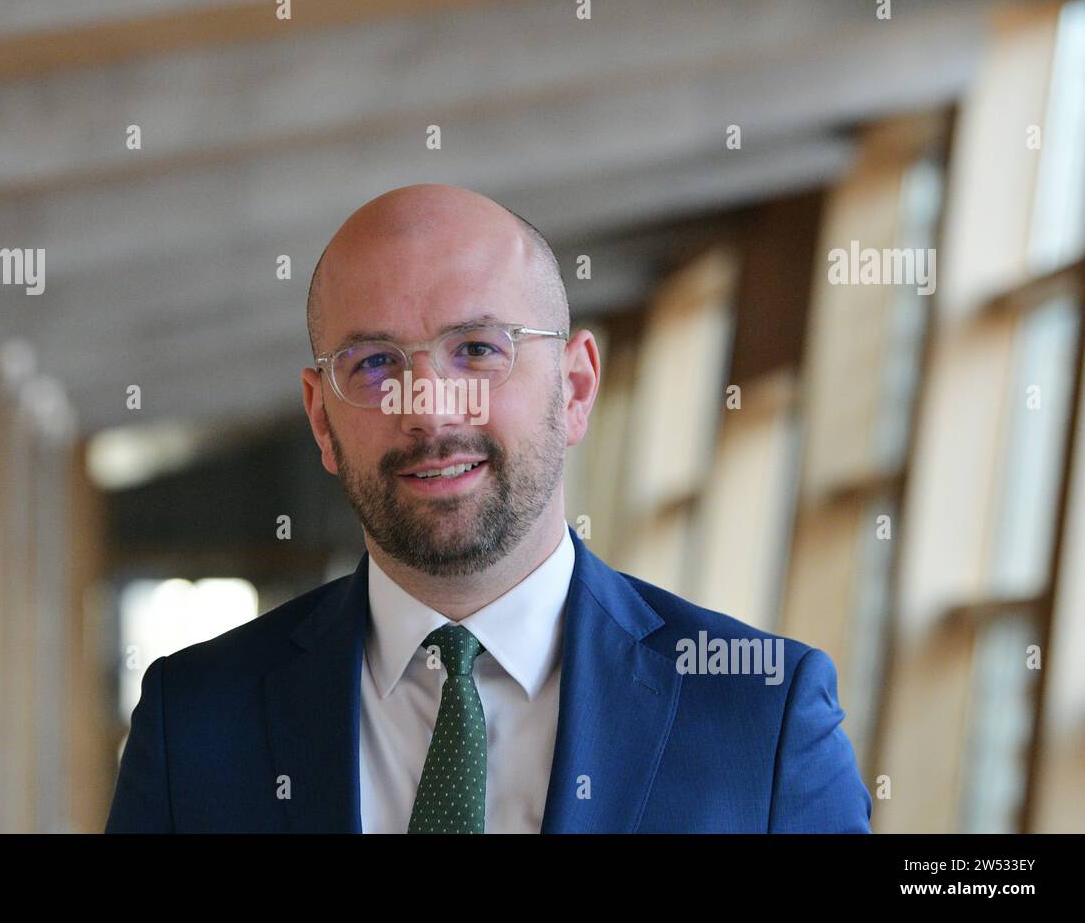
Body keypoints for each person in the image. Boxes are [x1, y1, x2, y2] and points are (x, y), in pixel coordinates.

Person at [105, 183, 872, 833]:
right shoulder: (195, 724)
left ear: (573, 390)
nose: (431, 411)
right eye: (374, 364)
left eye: (477, 349)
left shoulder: (761, 717)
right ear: (320, 420)